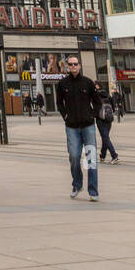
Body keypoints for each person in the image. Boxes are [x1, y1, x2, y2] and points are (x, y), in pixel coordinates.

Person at [56, 55, 101, 201]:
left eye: (76, 64)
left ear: (80, 66)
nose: (73, 66)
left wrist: (92, 115)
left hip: (88, 126)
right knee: (74, 157)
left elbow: (97, 102)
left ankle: (93, 191)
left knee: (91, 158)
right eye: (71, 64)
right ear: (67, 66)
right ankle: (77, 184)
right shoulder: (62, 84)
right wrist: (66, 116)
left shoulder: (88, 83)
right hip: (72, 127)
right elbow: (59, 103)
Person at [94, 81, 119, 164]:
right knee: (105, 137)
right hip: (109, 118)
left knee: (105, 137)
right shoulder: (107, 94)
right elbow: (113, 106)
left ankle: (114, 156)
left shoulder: (96, 95)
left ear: (97, 86)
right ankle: (102, 156)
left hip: (100, 118)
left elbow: (94, 107)